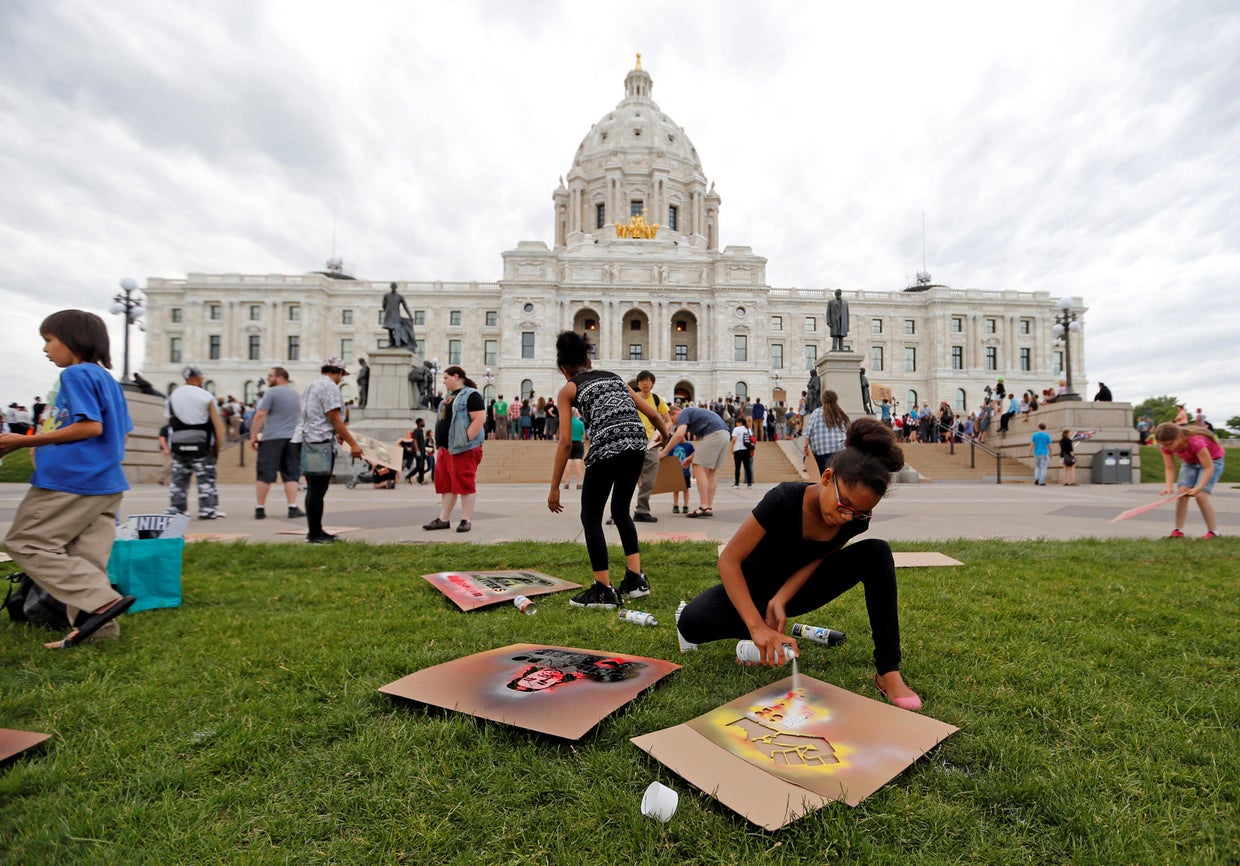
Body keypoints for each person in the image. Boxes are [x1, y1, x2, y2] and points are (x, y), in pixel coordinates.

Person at [676, 418, 921, 710]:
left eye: (860, 513)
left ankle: (888, 671)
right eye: (844, 506)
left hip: (797, 591)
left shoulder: (856, 519)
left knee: (876, 552)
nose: (847, 517)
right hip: (752, 587)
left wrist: (781, 599)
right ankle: (753, 638)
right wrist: (755, 625)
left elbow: (820, 557)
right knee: (691, 623)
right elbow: (730, 560)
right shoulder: (784, 498)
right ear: (828, 478)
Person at [0, 310, 136, 649]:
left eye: (49, 340)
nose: (45, 349)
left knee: (25, 542)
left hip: (71, 481)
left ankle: (101, 600)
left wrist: (23, 441)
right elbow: (122, 433)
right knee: (85, 559)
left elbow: (91, 426)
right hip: (106, 482)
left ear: (73, 340)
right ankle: (97, 634)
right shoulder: (107, 379)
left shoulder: (75, 375)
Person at [546, 331, 670, 609]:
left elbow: (566, 442)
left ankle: (603, 589)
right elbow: (652, 414)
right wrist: (665, 437)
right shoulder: (613, 377)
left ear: (565, 368)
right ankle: (636, 579)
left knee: (590, 516)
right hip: (637, 440)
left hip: (608, 443)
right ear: (588, 360)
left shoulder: (569, 389)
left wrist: (554, 487)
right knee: (620, 510)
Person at [299, 357, 364, 543]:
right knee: (318, 489)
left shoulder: (312, 386)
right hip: (319, 442)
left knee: (313, 488)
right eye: (342, 375)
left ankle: (315, 530)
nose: (341, 379)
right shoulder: (330, 387)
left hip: (307, 439)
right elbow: (335, 418)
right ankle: (314, 533)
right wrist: (353, 444)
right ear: (338, 372)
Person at [423, 365, 486, 533]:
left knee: (465, 484)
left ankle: (466, 519)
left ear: (456, 376)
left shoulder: (471, 395)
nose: (443, 382)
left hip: (463, 449)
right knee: (447, 486)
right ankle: (444, 519)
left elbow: (480, 419)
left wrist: (465, 439)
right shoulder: (449, 397)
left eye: (445, 378)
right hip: (446, 449)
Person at [165, 365, 227, 519]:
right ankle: (207, 509)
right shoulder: (205, 396)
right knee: (206, 479)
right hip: (202, 443)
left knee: (179, 479)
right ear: (198, 378)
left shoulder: (172, 396)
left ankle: (176, 508)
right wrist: (217, 448)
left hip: (178, 443)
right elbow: (218, 426)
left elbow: (168, 422)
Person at [248, 367, 305, 520]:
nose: (268, 379)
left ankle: (260, 508)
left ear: (280, 377)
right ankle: (292, 507)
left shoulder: (272, 393)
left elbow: (261, 414)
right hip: (292, 438)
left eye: (270, 376)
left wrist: (253, 435)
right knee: (291, 474)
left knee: (265, 474)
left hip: (272, 438)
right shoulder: (296, 394)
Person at [661, 403, 732, 518]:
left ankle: (703, 506)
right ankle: (708, 506)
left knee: (698, 467)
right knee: (711, 471)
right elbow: (706, 443)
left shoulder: (684, 413)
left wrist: (664, 452)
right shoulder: (695, 415)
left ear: (674, 413)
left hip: (714, 434)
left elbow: (679, 435)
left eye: (672, 420)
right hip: (724, 435)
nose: (674, 423)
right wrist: (689, 458)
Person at [1156, 422, 1224, 539]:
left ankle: (1214, 532)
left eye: (1169, 444)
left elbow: (1208, 467)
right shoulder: (1165, 446)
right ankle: (1178, 530)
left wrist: (1199, 487)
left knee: (1201, 495)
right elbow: (1169, 467)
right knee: (1182, 492)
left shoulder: (1196, 441)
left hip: (1213, 462)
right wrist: (1168, 486)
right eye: (1164, 445)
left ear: (1179, 436)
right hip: (1190, 463)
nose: (1168, 448)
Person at [631, 370, 671, 524]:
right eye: (642, 381)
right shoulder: (632, 397)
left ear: (653, 383)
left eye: (648, 381)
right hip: (632, 443)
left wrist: (662, 432)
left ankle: (642, 511)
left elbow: (668, 420)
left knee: (649, 480)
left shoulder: (656, 399)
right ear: (638, 383)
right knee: (626, 479)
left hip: (652, 444)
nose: (645, 383)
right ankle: (618, 512)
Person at [803, 389, 849, 475]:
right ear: (836, 399)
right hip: (839, 449)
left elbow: (808, 432)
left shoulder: (816, 413)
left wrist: (805, 447)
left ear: (822, 400)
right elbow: (848, 429)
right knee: (838, 475)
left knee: (824, 476)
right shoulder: (840, 412)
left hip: (821, 450)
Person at [381, 282, 414, 349]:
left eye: (394, 286)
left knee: (397, 328)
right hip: (389, 314)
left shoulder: (400, 296)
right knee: (390, 329)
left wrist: (410, 315)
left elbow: (405, 306)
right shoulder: (386, 295)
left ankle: (397, 343)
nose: (393, 287)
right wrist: (387, 311)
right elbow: (383, 305)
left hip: (396, 315)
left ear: (396, 287)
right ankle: (391, 343)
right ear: (391, 287)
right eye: (392, 286)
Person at [560, 408, 586, 489]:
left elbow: (563, 435)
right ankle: (579, 483)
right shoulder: (580, 423)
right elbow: (583, 436)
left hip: (569, 443)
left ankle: (567, 483)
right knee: (578, 462)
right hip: (578, 443)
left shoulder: (566, 423)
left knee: (568, 462)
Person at [670, 440, 694, 514]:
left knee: (686, 489)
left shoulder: (689, 445)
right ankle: (675, 505)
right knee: (675, 490)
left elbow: (693, 457)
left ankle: (685, 506)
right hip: (675, 472)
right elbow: (669, 457)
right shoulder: (673, 445)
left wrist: (693, 468)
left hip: (685, 472)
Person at [731, 418, 754, 487]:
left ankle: (737, 482)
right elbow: (751, 439)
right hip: (746, 450)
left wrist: (731, 448)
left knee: (737, 467)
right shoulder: (748, 429)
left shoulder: (736, 429)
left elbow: (734, 440)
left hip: (737, 450)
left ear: (740, 422)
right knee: (747, 466)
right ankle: (749, 482)